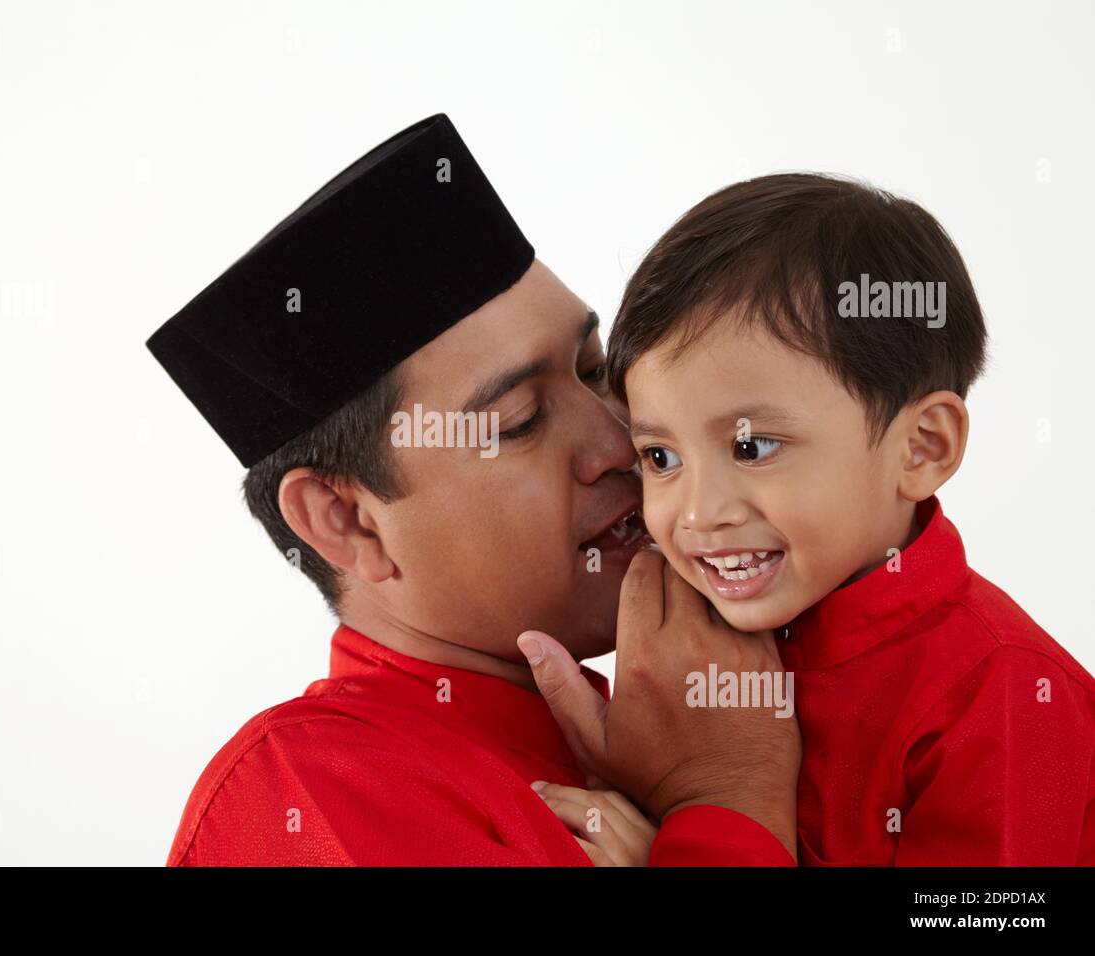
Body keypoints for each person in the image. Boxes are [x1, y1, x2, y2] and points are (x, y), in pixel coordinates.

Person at [146, 114, 799, 866]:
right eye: (519, 422)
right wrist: (729, 801)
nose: (623, 443)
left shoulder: (663, 723)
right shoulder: (303, 791)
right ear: (346, 522)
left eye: (596, 370)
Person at [527, 173, 1095, 865]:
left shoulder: (1001, 696)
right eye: (660, 455)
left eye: (752, 447)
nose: (699, 512)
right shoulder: (695, 639)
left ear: (922, 448)